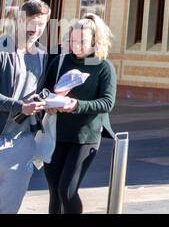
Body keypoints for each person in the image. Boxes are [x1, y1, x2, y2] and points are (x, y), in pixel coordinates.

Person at [41, 13, 117, 214]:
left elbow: (107, 103)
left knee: (67, 190)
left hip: (85, 136)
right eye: (73, 40)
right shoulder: (60, 61)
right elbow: (44, 90)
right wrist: (47, 101)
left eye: (82, 41)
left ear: (94, 40)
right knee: (54, 189)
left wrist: (76, 105)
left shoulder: (102, 66)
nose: (76, 45)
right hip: (57, 133)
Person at [0, 0, 51, 214]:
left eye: (41, 24)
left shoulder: (42, 56)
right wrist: (19, 106)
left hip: (21, 142)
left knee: (10, 206)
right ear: (20, 20)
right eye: (31, 22)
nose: (35, 29)